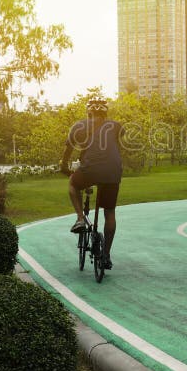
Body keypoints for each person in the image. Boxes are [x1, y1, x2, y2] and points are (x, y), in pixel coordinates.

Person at [60, 96, 123, 269]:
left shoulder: (79, 126)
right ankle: (106, 256)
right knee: (109, 212)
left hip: (90, 169)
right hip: (112, 171)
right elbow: (117, 144)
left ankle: (80, 218)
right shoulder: (116, 126)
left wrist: (63, 166)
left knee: (73, 184)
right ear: (106, 113)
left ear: (88, 112)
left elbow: (68, 149)